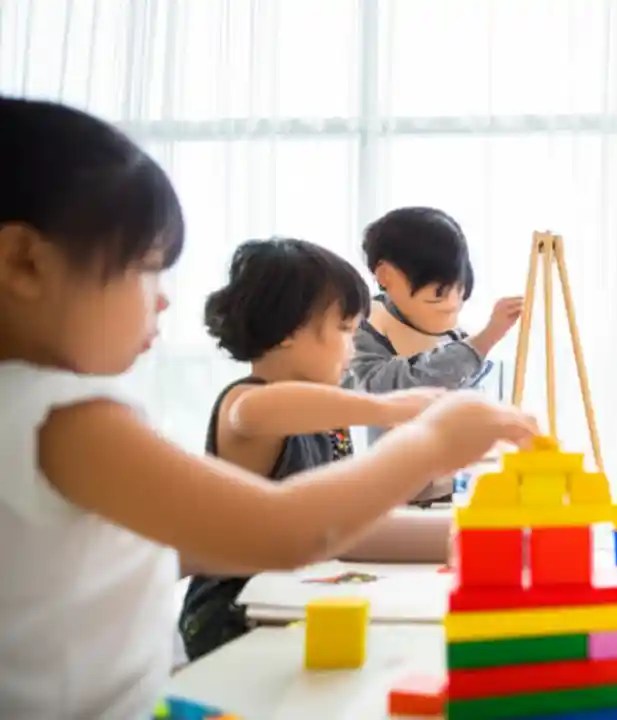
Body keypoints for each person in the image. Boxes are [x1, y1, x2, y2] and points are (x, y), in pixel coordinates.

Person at [0, 96, 536, 719]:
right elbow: (286, 529)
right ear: (24, 261)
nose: (164, 302)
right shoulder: (65, 416)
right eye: (145, 269)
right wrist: (430, 439)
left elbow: (199, 544)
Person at [178, 237, 455, 661]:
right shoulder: (248, 400)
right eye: (345, 330)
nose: (354, 346)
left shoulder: (328, 417)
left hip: (295, 598)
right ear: (289, 330)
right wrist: (388, 407)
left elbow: (347, 527)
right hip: (233, 613)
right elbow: (253, 415)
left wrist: (466, 534)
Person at [344, 206, 523, 502]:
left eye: (459, 291)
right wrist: (483, 340)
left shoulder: (456, 339)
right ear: (386, 276)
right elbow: (386, 390)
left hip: (457, 489)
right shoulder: (365, 328)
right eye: (437, 294)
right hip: (397, 497)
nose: (451, 303)